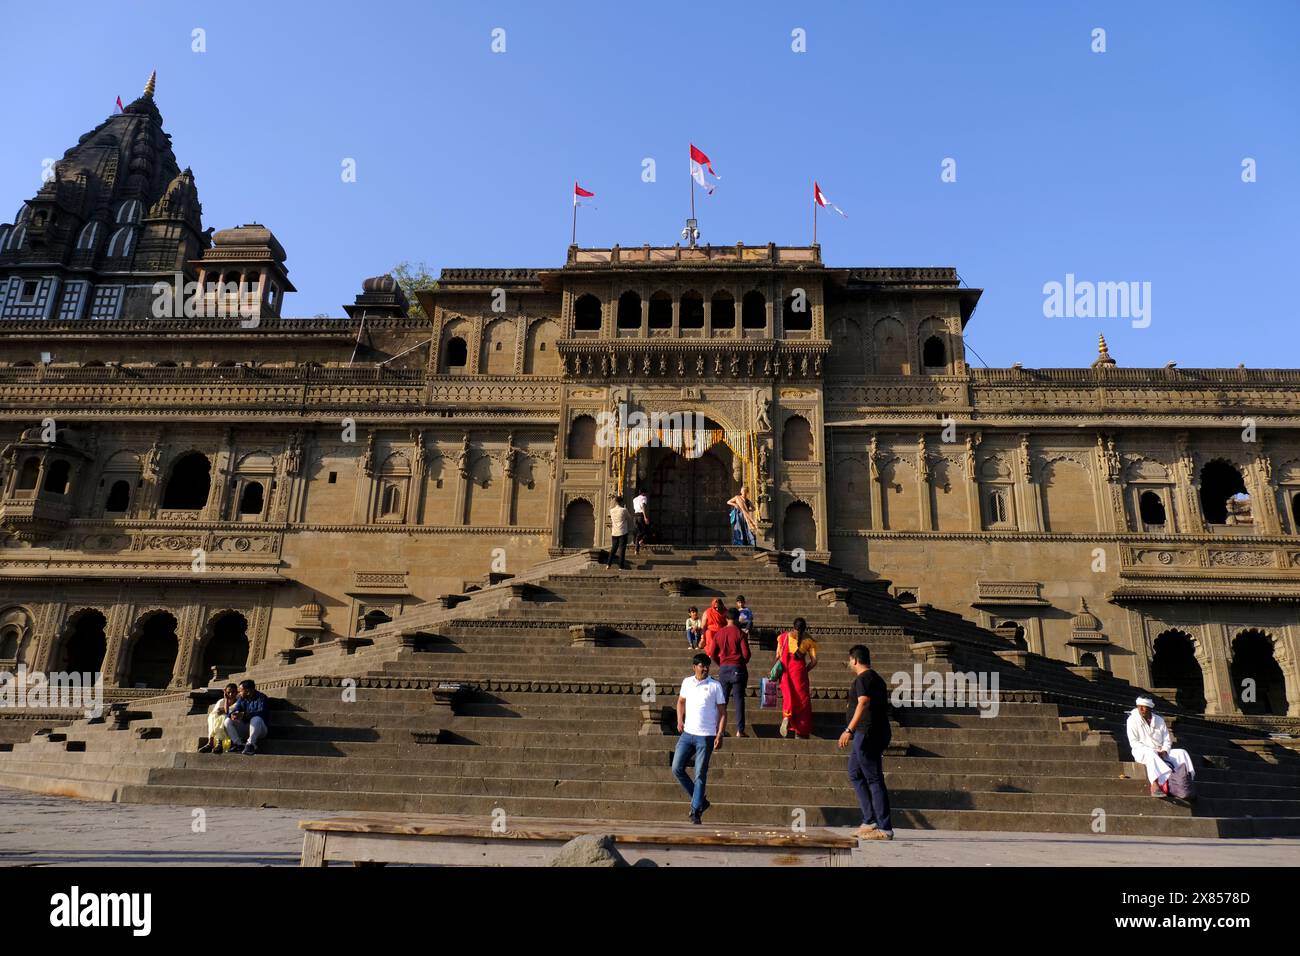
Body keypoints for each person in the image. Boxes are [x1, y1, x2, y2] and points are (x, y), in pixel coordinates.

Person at [838, 644, 894, 841]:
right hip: (870, 732)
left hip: (867, 732)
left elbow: (863, 702)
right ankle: (869, 820)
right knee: (854, 772)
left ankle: (885, 828)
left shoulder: (863, 678)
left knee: (874, 778)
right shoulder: (876, 677)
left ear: (854, 659)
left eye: (850, 660)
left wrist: (849, 729)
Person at [673, 653, 727, 823]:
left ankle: (695, 811)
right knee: (676, 768)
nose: (704, 669)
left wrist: (720, 733)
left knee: (700, 774)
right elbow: (680, 702)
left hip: (706, 736)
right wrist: (680, 720)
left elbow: (723, 712)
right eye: (701, 665)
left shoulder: (715, 685)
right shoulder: (687, 682)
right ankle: (701, 801)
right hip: (688, 734)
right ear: (694, 667)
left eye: (707, 666)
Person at [1126, 696, 1195, 796]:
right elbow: (1134, 742)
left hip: (1161, 750)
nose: (1140, 709)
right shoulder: (1132, 720)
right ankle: (1155, 784)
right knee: (1151, 753)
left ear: (1150, 708)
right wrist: (1153, 751)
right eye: (1139, 706)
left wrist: (1164, 750)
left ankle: (1186, 783)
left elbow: (1167, 740)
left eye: (1143, 707)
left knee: (1182, 752)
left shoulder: (1159, 720)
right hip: (1142, 751)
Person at [707, 608, 752, 737]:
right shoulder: (740, 633)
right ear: (737, 618)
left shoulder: (719, 634)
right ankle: (740, 730)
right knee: (738, 700)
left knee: (722, 702)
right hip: (738, 669)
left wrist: (721, 663)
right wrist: (741, 662)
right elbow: (746, 654)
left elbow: (712, 653)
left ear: (726, 619)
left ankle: (717, 729)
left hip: (724, 669)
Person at [776, 617, 817, 739]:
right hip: (799, 672)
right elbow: (814, 661)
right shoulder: (809, 640)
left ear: (793, 626)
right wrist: (805, 670)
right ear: (805, 628)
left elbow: (778, 656)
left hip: (785, 671)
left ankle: (787, 716)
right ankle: (801, 731)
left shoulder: (782, 637)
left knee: (789, 696)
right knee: (802, 701)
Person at [224, 679, 270, 755]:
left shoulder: (261, 697)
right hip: (246, 727)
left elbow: (262, 713)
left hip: (260, 729)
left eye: (241, 690)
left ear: (248, 691)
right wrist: (233, 715)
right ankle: (239, 744)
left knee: (256, 719)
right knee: (227, 721)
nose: (239, 692)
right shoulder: (241, 699)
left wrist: (245, 714)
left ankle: (250, 745)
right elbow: (235, 710)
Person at [198, 683, 238, 753]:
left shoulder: (238, 702)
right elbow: (217, 712)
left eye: (233, 692)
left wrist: (225, 707)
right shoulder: (221, 701)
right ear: (225, 692)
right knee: (212, 717)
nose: (231, 694)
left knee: (223, 716)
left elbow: (227, 712)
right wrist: (225, 703)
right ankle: (210, 742)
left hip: (233, 723)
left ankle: (219, 742)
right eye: (228, 692)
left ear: (236, 692)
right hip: (219, 723)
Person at [607, 495, 632, 570]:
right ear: (621, 502)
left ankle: (608, 564)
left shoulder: (611, 510)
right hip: (622, 532)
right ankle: (621, 567)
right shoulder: (623, 510)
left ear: (615, 502)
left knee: (613, 549)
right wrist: (626, 509)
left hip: (614, 532)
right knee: (622, 549)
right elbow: (629, 518)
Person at [632, 489, 650, 554]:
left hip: (635, 516)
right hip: (640, 516)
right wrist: (645, 517)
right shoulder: (644, 497)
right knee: (645, 530)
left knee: (639, 531)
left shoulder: (634, 499)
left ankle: (638, 547)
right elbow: (643, 506)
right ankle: (640, 542)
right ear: (643, 493)